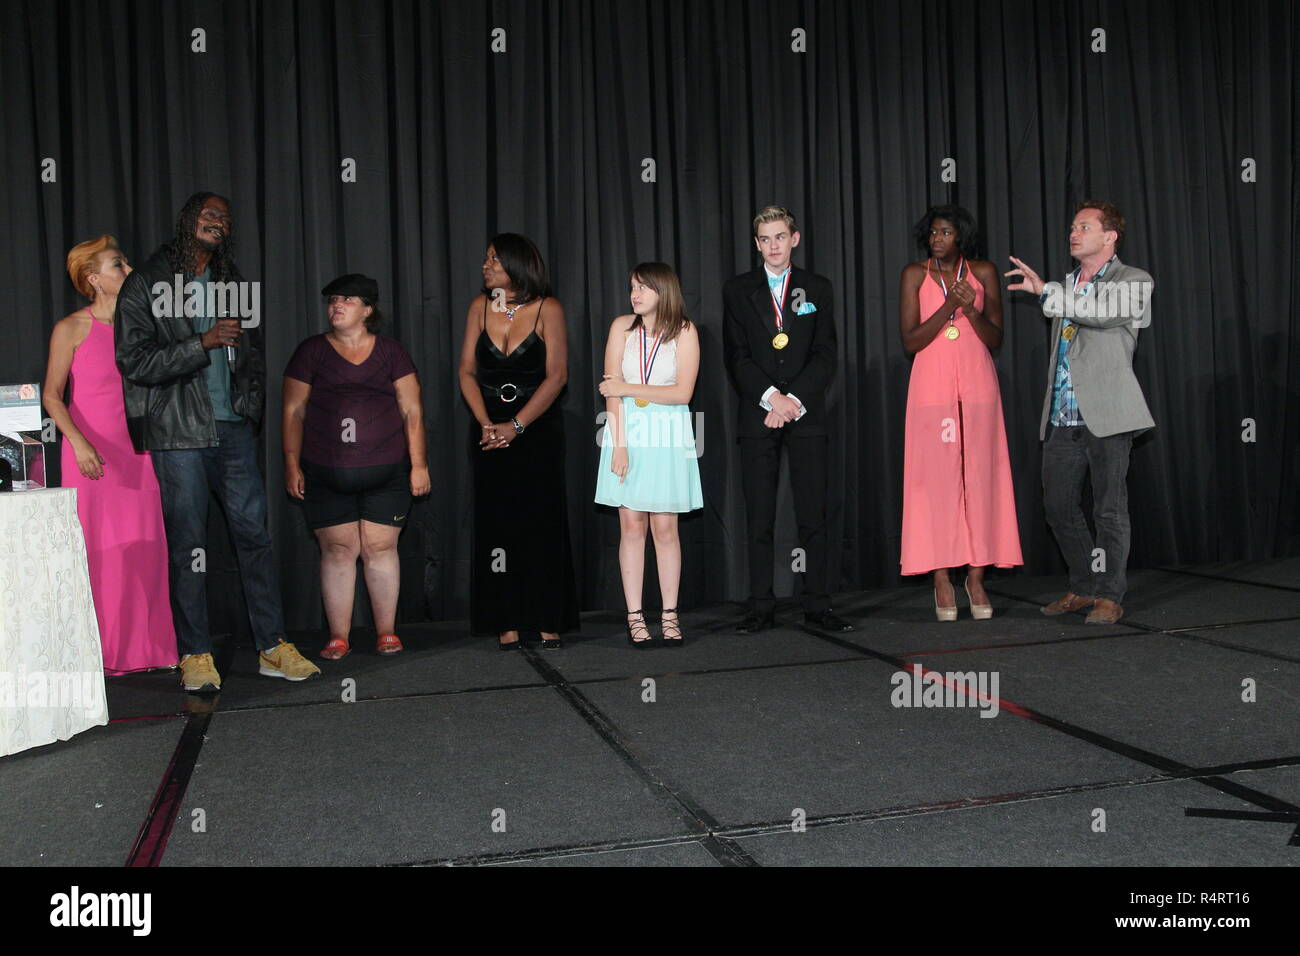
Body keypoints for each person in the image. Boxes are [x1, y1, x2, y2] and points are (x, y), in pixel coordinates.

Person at [115, 191, 319, 691]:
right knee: (190, 545)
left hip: (232, 431)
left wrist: (248, 408)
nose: (217, 224)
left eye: (224, 219)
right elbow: (133, 361)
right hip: (179, 432)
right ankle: (195, 654)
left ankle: (272, 645)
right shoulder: (147, 281)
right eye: (209, 215)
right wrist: (199, 344)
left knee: (255, 537)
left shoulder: (230, 280)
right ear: (187, 221)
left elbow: (251, 356)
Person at [1006, 199, 1155, 624]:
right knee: (1058, 507)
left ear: (1110, 237)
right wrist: (1055, 291)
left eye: (1085, 227)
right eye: (1073, 226)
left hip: (1108, 414)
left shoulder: (1135, 280)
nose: (1074, 233)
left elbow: (1104, 316)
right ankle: (1084, 586)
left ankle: (1110, 594)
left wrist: (1047, 292)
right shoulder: (1067, 283)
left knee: (1109, 508)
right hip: (1062, 416)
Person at [42, 236, 177, 673]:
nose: (128, 269)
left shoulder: (145, 325)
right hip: (90, 456)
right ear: (93, 279)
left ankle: (149, 651)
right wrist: (78, 442)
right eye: (117, 264)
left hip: (139, 452)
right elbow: (51, 396)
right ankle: (99, 654)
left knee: (145, 551)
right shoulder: (71, 328)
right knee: (101, 552)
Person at [283, 274, 429, 660]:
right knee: (339, 550)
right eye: (332, 300)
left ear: (368, 309)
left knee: (381, 547)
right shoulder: (311, 351)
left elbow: (411, 409)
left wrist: (419, 465)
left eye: (347, 300)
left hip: (387, 472)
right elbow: (293, 410)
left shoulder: (391, 352)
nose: (337, 306)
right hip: (326, 471)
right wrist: (291, 463)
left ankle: (386, 632)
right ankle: (339, 635)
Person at [722, 205, 853, 633]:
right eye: (765, 238)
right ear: (756, 243)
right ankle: (760, 606)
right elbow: (736, 356)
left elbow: (826, 354)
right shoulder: (737, 290)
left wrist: (792, 399)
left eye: (780, 237)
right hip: (758, 416)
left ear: (794, 238)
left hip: (806, 413)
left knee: (813, 514)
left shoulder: (819, 287)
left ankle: (818, 604)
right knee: (759, 516)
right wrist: (771, 399)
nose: (773, 245)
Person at [899, 206, 1023, 620]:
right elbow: (911, 341)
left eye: (946, 232)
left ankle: (976, 576)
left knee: (981, 479)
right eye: (933, 232)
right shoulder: (914, 274)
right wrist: (948, 304)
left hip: (977, 387)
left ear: (961, 237)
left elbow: (994, 338)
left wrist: (969, 309)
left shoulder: (984, 272)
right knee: (936, 484)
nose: (937, 238)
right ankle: (940, 578)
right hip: (931, 390)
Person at [457, 234, 578, 649]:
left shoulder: (549, 308)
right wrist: (486, 422)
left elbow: (557, 376)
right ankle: (504, 618)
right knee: (497, 524)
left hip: (536, 431)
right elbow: (467, 372)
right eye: (486, 258)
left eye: (494, 259)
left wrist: (517, 426)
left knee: (539, 524)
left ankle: (546, 617)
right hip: (489, 430)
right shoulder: (479, 307)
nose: (485, 265)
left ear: (517, 265)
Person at [595, 263, 703, 646]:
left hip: (668, 433)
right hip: (627, 431)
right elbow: (610, 391)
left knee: (665, 528)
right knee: (631, 526)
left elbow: (682, 394)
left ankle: (670, 615)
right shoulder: (620, 327)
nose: (635, 294)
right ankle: (635, 616)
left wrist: (628, 386)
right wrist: (619, 443)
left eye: (643, 288)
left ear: (664, 290)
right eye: (632, 287)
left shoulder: (685, 331)